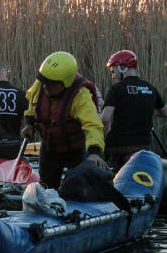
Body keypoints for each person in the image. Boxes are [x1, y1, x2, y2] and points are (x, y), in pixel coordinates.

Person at [20, 51, 109, 189]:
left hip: (76, 147)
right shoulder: (42, 83)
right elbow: (32, 100)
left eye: (50, 84)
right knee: (46, 186)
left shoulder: (81, 96)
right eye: (44, 82)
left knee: (80, 184)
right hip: (50, 146)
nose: (45, 86)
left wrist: (94, 152)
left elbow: (92, 125)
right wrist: (30, 124)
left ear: (65, 83)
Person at [101, 49, 167, 170]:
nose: (113, 76)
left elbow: (105, 118)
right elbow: (165, 113)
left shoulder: (116, 89)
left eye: (113, 71)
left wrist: (103, 140)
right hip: (143, 147)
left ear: (123, 68)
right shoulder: (150, 88)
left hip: (118, 147)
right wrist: (143, 111)